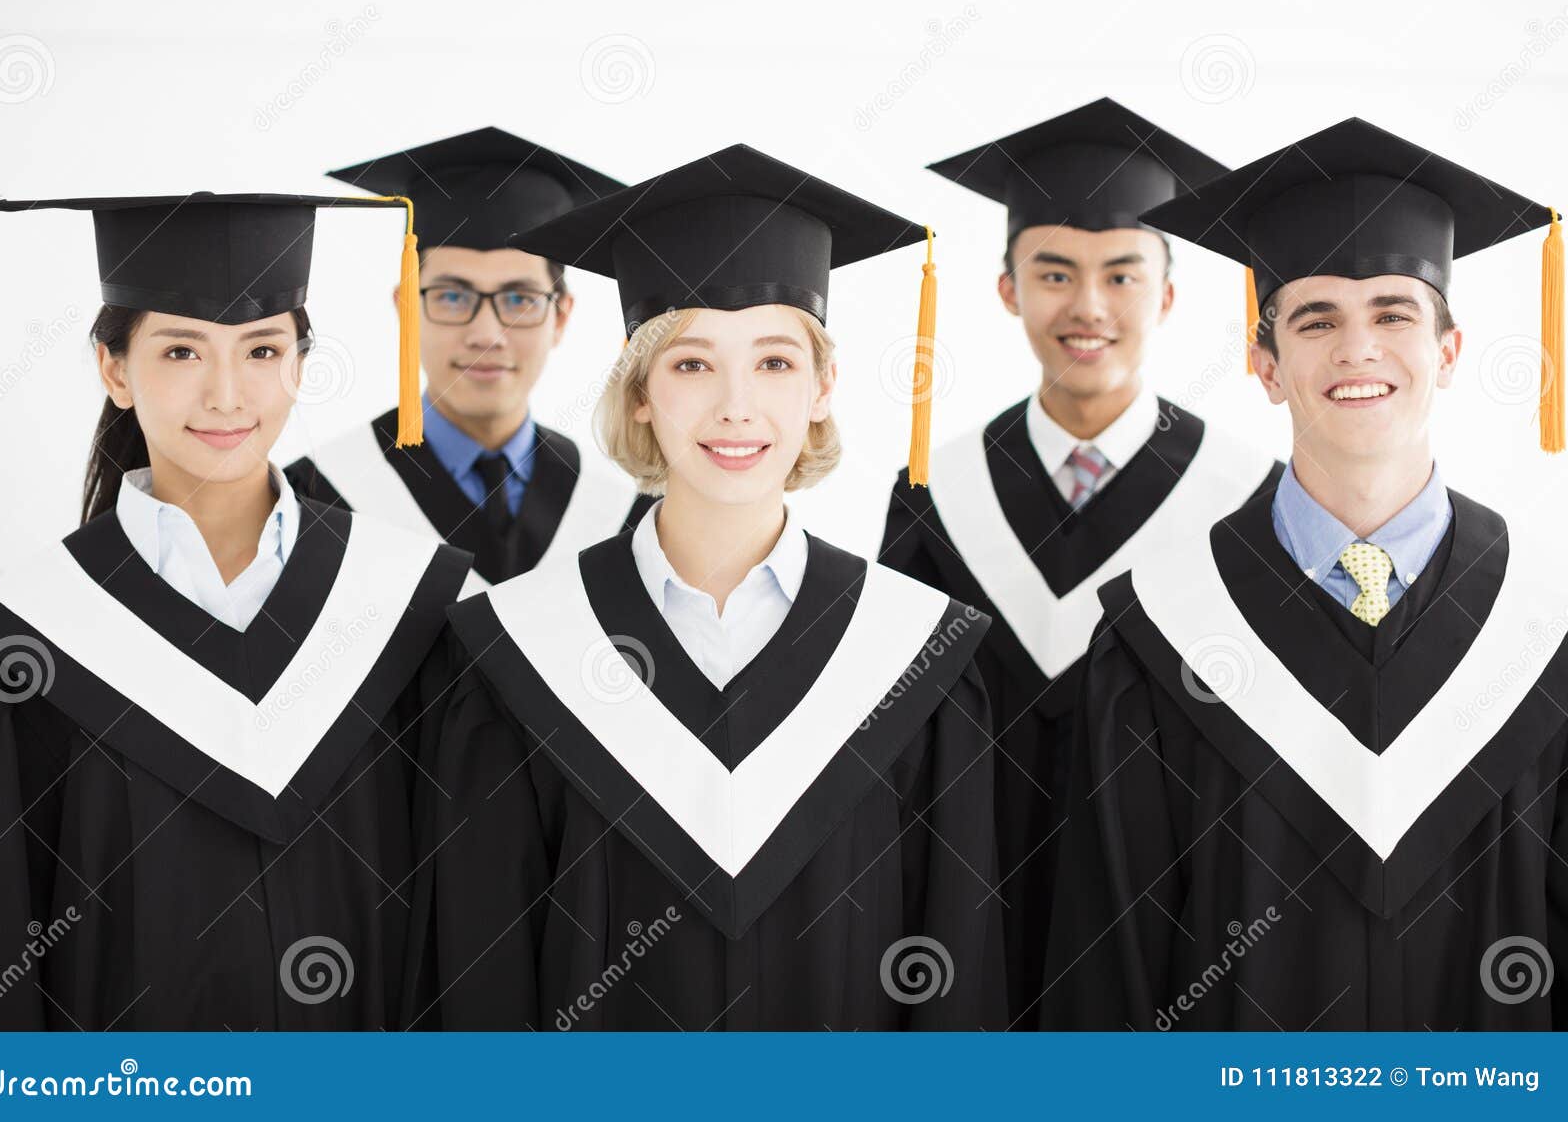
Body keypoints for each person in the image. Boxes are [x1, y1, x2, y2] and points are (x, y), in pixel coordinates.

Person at [406, 145, 1007, 1030]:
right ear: (640, 389)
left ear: (821, 388)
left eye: (773, 362)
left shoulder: (914, 658)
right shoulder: (521, 654)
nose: (735, 406)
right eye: (691, 364)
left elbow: (955, 997)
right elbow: (480, 989)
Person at [1042, 117, 1568, 1030]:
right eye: (1316, 319)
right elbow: (1108, 965)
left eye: (1394, 314)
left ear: (1447, 353)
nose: (1358, 349)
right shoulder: (1159, 635)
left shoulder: (1543, 629)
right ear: (1266, 365)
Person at [0, 192, 469, 1029]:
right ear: (113, 369)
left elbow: (464, 916)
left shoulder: (408, 605)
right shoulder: (26, 638)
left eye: (263, 348)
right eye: (180, 351)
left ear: (300, 367)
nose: (228, 393)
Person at [880, 97, 1282, 1024]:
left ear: (1170, 294)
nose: (1088, 307)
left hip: (1174, 934)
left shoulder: (1242, 501)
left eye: (1122, 274)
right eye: (1054, 272)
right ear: (1007, 288)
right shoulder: (932, 500)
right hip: (960, 933)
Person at [286, 128, 652, 595]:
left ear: (560, 317)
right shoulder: (314, 498)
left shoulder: (624, 511)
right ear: (406, 308)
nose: (486, 335)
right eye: (453, 295)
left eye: (519, 298)